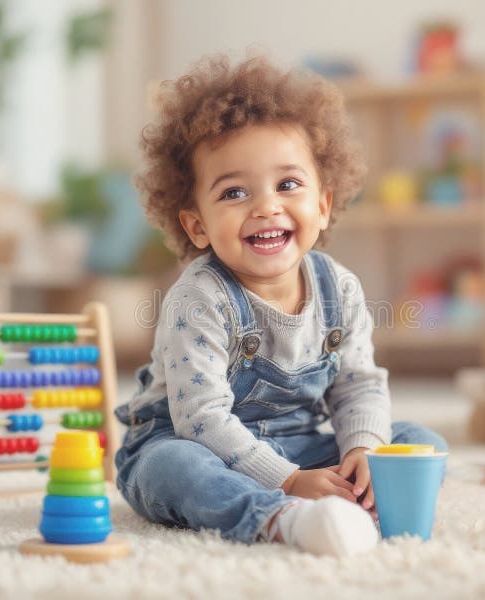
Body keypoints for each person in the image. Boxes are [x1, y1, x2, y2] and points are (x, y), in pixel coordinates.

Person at [114, 54, 447, 557]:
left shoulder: (341, 289)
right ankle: (280, 519)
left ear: (323, 203)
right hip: (197, 444)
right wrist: (289, 483)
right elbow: (200, 418)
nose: (266, 206)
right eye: (234, 192)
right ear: (197, 225)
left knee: (419, 441)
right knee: (172, 469)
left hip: (301, 445)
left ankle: (356, 502)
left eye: (288, 184)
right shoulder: (199, 296)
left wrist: (363, 450)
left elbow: (359, 386)